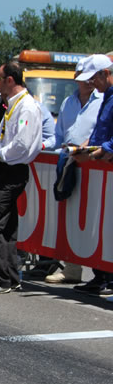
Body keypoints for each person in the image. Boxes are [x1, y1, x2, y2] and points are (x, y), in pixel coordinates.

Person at [0, 62, 43, 294]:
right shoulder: (13, 105)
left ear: (10, 80)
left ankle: (0, 279)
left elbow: (22, 144)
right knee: (5, 226)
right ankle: (11, 277)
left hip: (13, 170)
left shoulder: (27, 107)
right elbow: (9, 138)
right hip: (5, 168)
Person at [42, 59, 104, 284]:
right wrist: (43, 147)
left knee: (96, 218)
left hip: (94, 165)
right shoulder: (68, 102)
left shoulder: (104, 100)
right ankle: (72, 268)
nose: (88, 81)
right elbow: (58, 137)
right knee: (70, 215)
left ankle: (101, 274)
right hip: (69, 163)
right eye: (83, 77)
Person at [70, 54, 113, 296]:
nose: (91, 84)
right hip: (101, 166)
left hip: (106, 164)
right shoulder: (107, 96)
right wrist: (87, 146)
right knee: (101, 225)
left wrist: (99, 151)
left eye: (94, 78)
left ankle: (107, 277)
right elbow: (102, 129)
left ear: (106, 73)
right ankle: (102, 276)